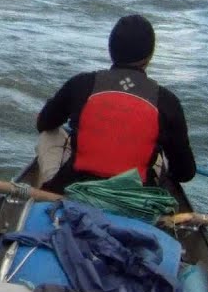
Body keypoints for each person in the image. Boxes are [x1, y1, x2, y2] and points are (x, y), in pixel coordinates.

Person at [35, 15, 196, 193]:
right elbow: (185, 173)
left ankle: (44, 191)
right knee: (160, 157)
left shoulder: (81, 84)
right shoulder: (167, 101)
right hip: (135, 199)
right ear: (150, 55)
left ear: (110, 49)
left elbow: (44, 123)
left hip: (74, 189)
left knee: (49, 135)